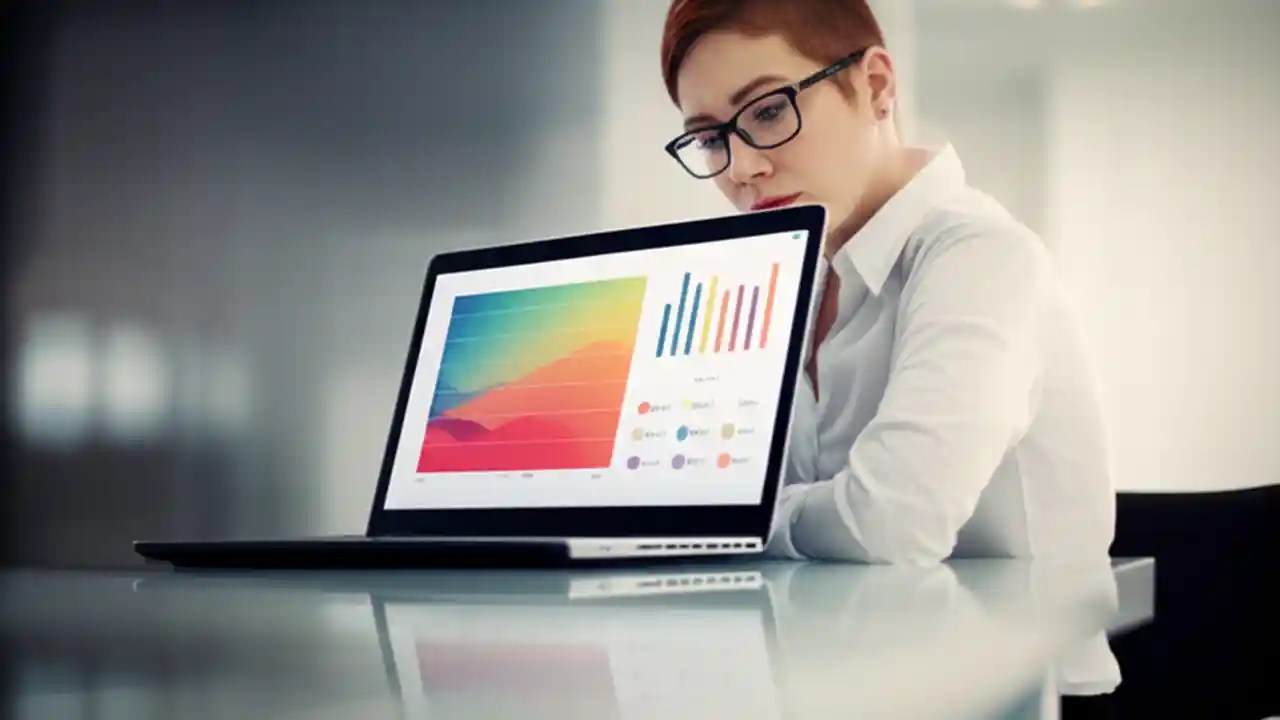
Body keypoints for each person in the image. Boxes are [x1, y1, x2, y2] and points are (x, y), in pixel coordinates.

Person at [660, 0, 1116, 565]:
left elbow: (893, 521)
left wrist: (729, 523)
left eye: (769, 112)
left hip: (992, 651)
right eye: (709, 140)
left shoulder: (981, 256)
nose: (740, 169)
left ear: (875, 86)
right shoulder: (783, 285)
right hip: (835, 646)